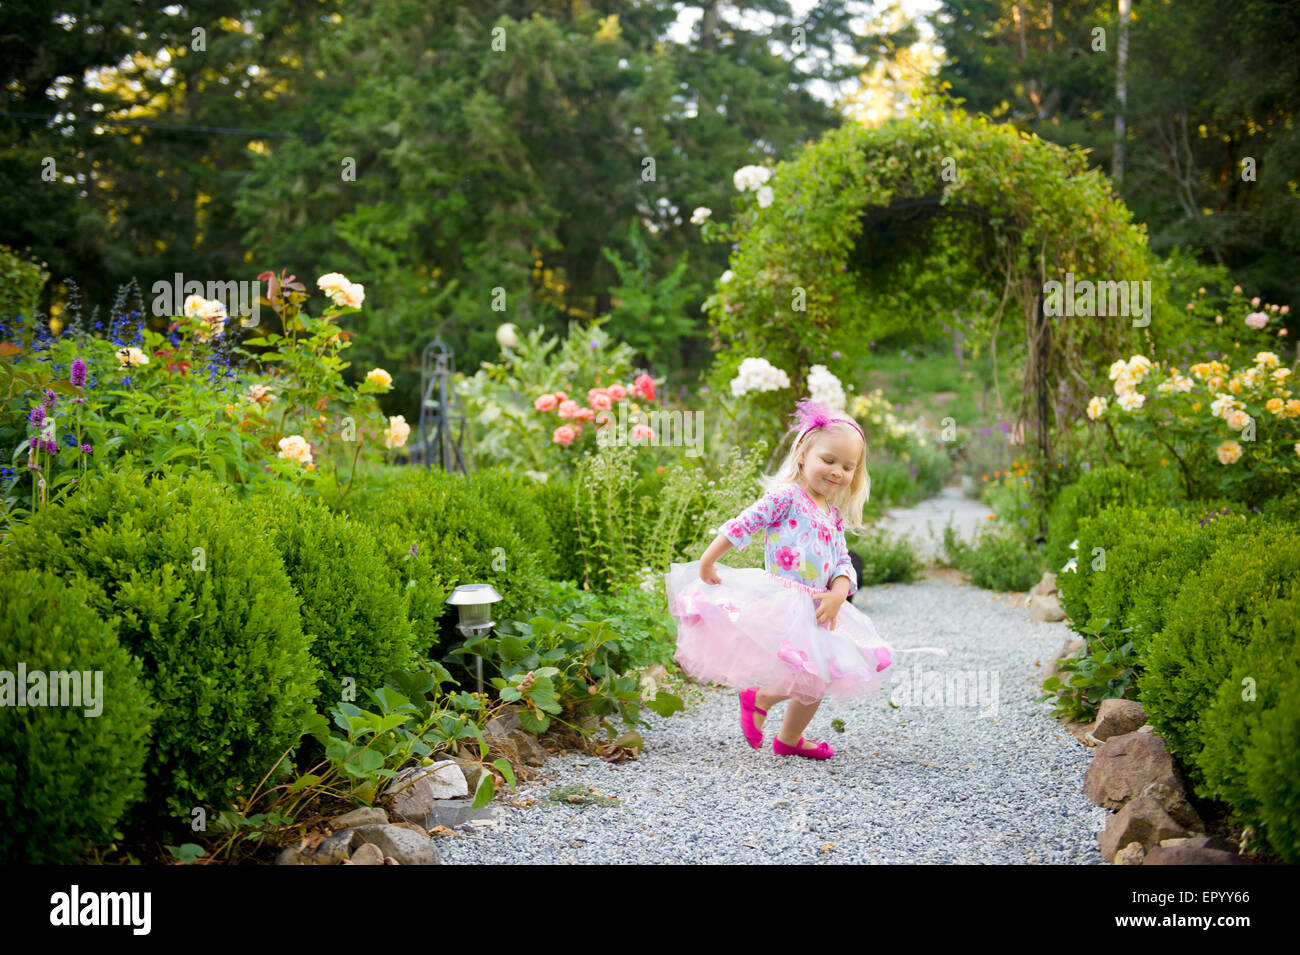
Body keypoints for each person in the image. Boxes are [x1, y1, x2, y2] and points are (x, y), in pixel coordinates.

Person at [664, 396, 898, 760]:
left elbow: (841, 561)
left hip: (819, 605)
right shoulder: (788, 496)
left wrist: (839, 592)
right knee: (806, 671)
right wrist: (708, 561)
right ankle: (759, 699)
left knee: (818, 678)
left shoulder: (832, 515)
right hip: (785, 599)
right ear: (804, 454)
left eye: (848, 466)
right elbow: (744, 524)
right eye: (829, 460)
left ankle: (789, 738)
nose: (837, 471)